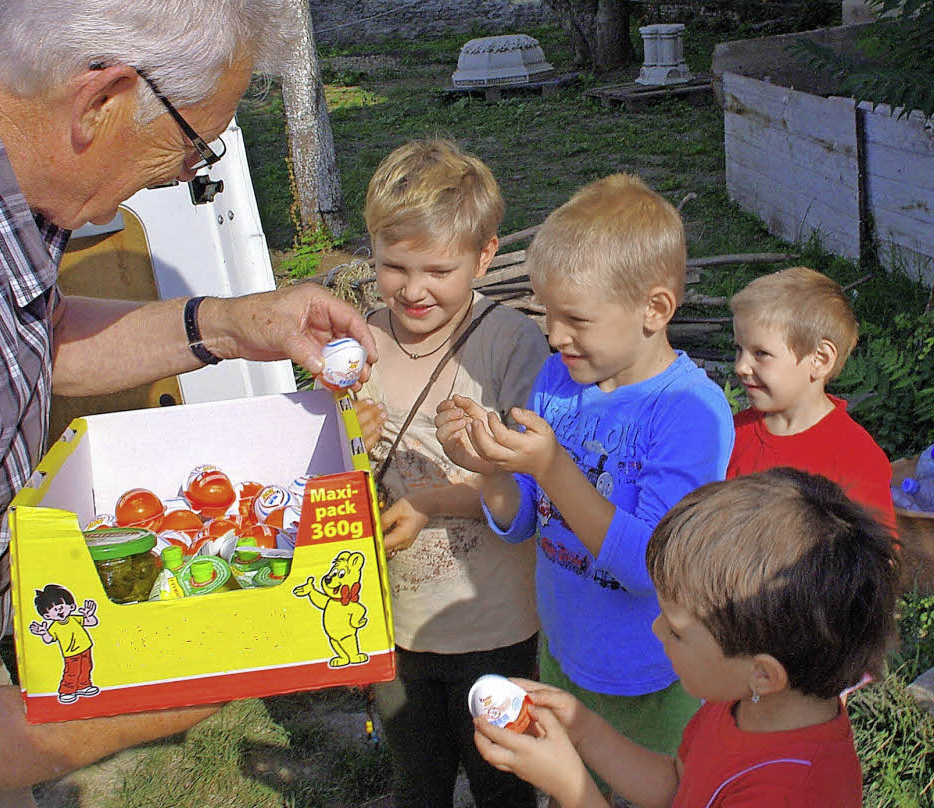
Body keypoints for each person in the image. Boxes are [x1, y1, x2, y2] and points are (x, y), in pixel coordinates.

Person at [0, 2, 377, 805]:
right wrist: (186, 685)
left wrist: (229, 324)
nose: (180, 174)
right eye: (193, 147)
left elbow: (33, 333)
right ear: (101, 102)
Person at [435, 174, 735, 778]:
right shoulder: (558, 380)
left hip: (653, 674)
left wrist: (551, 465)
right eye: (548, 315)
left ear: (655, 309)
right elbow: (523, 522)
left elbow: (649, 563)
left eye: (575, 319)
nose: (554, 335)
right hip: (565, 652)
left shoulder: (688, 414)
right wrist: (492, 468)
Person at [472, 468, 899, 808]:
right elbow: (677, 785)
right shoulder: (737, 702)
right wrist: (583, 729)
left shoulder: (790, 790)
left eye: (675, 629)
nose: (656, 629)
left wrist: (574, 789)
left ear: (763, 674)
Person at [355, 139, 549, 808]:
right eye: (392, 267)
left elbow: (531, 489)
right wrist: (346, 444)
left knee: (504, 781)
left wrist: (433, 498)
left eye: (438, 270)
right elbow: (332, 487)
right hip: (394, 620)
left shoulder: (512, 345)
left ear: (485, 255)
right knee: (418, 780)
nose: (413, 290)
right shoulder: (360, 348)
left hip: (496, 623)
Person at [726, 266, 895, 528]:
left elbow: (878, 559)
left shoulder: (857, 459)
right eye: (739, 349)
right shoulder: (733, 434)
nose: (740, 367)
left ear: (820, 359)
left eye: (760, 353)